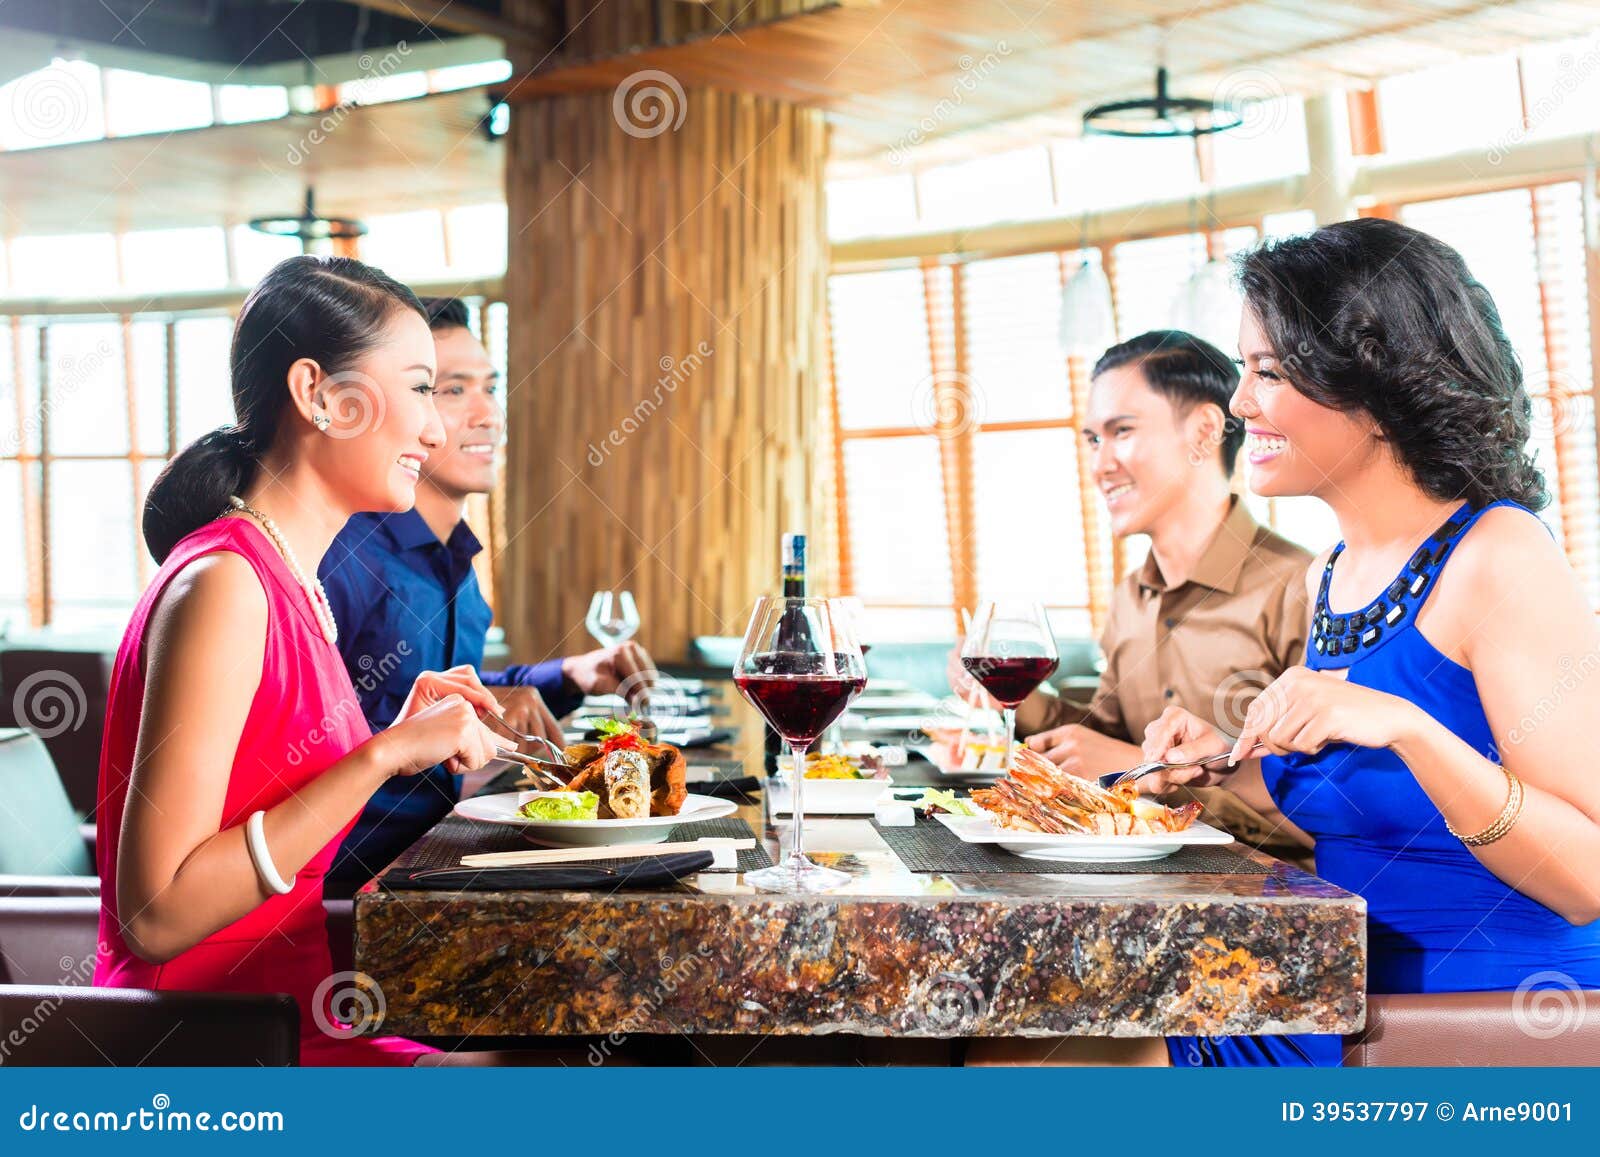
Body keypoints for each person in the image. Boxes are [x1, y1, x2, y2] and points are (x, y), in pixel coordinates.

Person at [1142, 217, 1600, 1066]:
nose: (1241, 404)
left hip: (1472, 1027)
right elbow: (1369, 809)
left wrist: (1406, 724)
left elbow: (1587, 877)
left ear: (1373, 383)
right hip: (1334, 992)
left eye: (1268, 372)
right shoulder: (1333, 573)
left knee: (1066, 1057)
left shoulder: (1501, 557)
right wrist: (1228, 761)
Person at [94, 255, 511, 1065]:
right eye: (423, 387)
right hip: (207, 1046)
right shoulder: (226, 584)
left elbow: (270, 802)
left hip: (292, 1021)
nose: (435, 427)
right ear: (318, 393)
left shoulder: (289, 579)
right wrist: (381, 755)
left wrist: (391, 739)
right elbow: (156, 914)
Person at [321, 296, 656, 893]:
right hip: (356, 885)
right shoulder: (345, 558)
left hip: (441, 858)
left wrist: (574, 674)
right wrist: (477, 711)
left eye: (491, 387)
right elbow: (307, 743)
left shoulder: (458, 559)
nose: (488, 414)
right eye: (450, 390)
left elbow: (458, 682)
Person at [950, 331, 1314, 869]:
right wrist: (1025, 703)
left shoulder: (1301, 586)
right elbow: (1108, 733)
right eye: (1092, 440)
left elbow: (1325, 812)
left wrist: (1138, 771)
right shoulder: (1130, 594)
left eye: (1121, 431)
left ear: (1205, 431)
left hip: (1265, 902)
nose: (1099, 466)